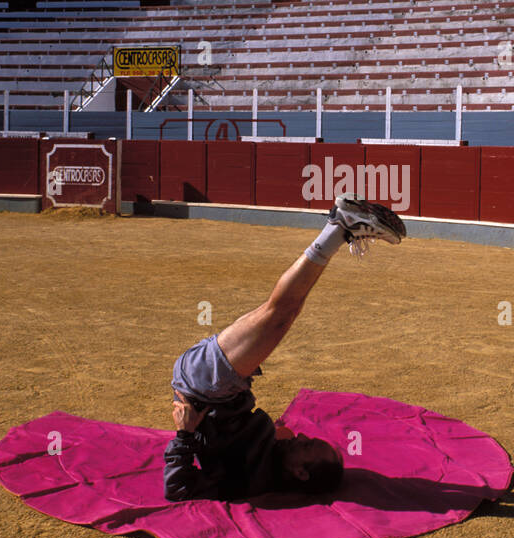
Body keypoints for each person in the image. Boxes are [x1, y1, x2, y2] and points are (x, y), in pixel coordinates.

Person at [163, 195, 407, 501]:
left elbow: (176, 489)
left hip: (203, 384)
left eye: (306, 446)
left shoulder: (249, 481)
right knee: (287, 312)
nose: (302, 436)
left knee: (279, 314)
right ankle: (340, 229)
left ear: (301, 472)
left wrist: (184, 435)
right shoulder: (272, 453)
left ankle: (339, 227)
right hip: (228, 384)